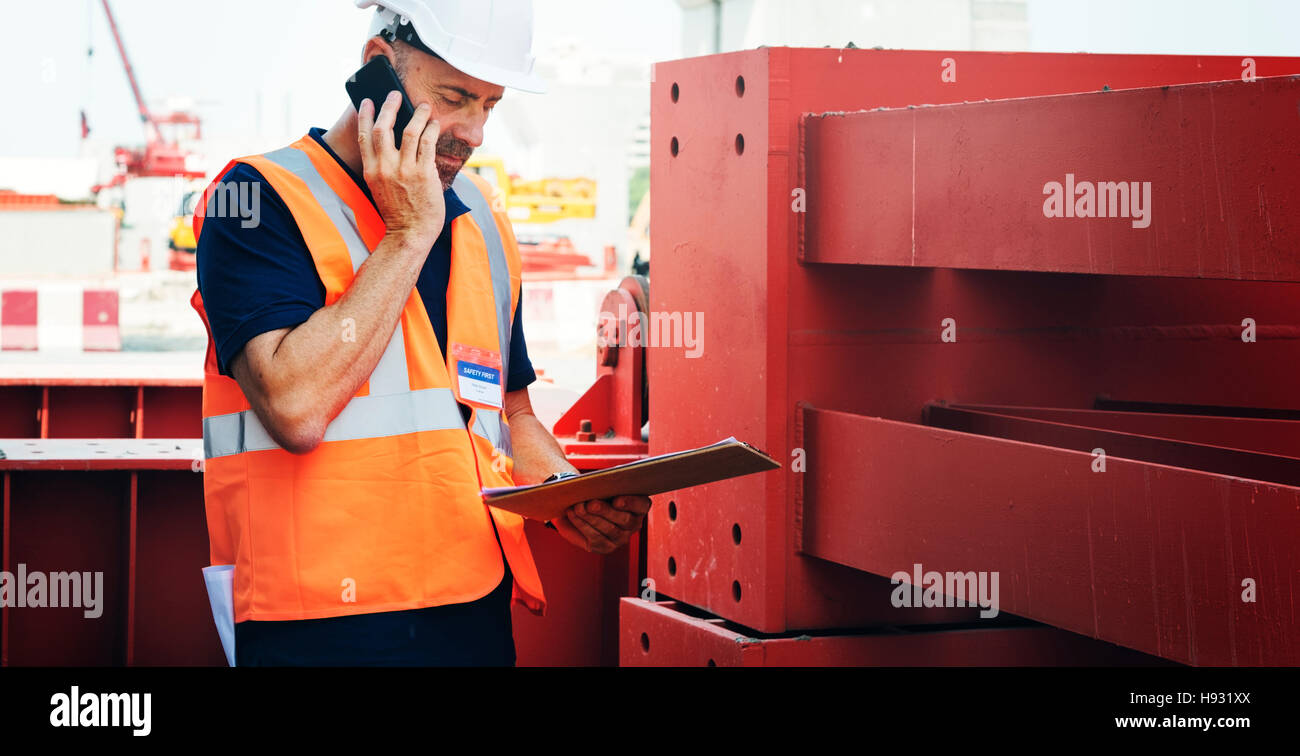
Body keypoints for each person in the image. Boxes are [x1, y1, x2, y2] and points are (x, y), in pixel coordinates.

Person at [192, 0, 650, 666]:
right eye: (455, 97)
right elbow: (293, 406)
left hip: (471, 619)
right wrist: (409, 234)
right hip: (317, 630)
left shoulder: (484, 221)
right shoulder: (258, 199)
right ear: (380, 69)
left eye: (490, 105)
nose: (474, 131)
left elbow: (507, 414)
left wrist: (565, 494)